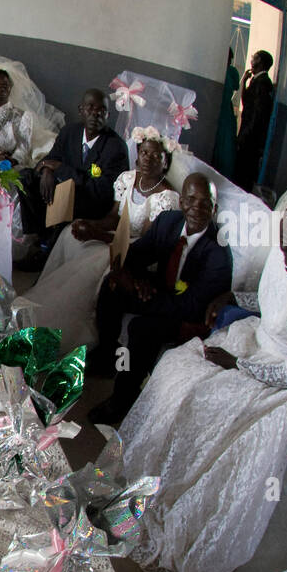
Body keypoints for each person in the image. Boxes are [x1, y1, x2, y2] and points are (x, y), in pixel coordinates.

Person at [120, 190, 287, 572]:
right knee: (177, 368)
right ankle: (146, 470)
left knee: (207, 402)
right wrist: (229, 297)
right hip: (252, 341)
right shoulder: (280, 265)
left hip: (272, 374)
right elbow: (265, 303)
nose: (286, 235)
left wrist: (237, 364)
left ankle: (178, 492)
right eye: (285, 224)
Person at [86, 172, 231, 425]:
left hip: (191, 315)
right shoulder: (168, 222)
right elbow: (136, 256)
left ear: (214, 208)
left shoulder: (218, 252)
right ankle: (108, 355)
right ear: (182, 203)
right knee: (114, 285)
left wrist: (144, 295)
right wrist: (135, 280)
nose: (197, 208)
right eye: (191, 200)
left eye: (205, 202)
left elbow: (189, 306)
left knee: (141, 329)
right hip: (164, 291)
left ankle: (122, 399)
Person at [21, 127, 179, 353]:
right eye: (144, 153)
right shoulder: (127, 178)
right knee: (71, 234)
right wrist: (92, 225)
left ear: (165, 163)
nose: (149, 159)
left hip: (138, 249)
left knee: (95, 259)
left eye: (156, 156)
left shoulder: (166, 197)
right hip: (117, 235)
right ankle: (51, 296)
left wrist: (97, 235)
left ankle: (72, 317)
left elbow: (146, 242)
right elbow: (113, 217)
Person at [16, 88, 130, 268]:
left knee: (71, 199)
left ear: (107, 115)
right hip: (65, 191)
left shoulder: (116, 148)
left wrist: (61, 169)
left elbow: (102, 191)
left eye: (101, 110)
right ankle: (38, 237)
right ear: (81, 110)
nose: (95, 114)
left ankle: (45, 258)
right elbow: (50, 159)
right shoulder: (70, 132)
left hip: (91, 202)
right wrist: (47, 171)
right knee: (25, 177)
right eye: (90, 108)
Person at [234, 49, 275, 192]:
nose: (251, 60)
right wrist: (244, 82)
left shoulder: (263, 83)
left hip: (251, 138)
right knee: (241, 170)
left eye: (254, 58)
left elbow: (257, 115)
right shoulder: (256, 80)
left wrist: (244, 136)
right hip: (248, 134)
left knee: (244, 172)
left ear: (261, 63)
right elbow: (247, 104)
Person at [212, 48, 240, 179]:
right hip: (224, 110)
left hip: (223, 111)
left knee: (224, 142)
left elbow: (235, 87)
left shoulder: (229, 71)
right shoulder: (232, 72)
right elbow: (236, 87)